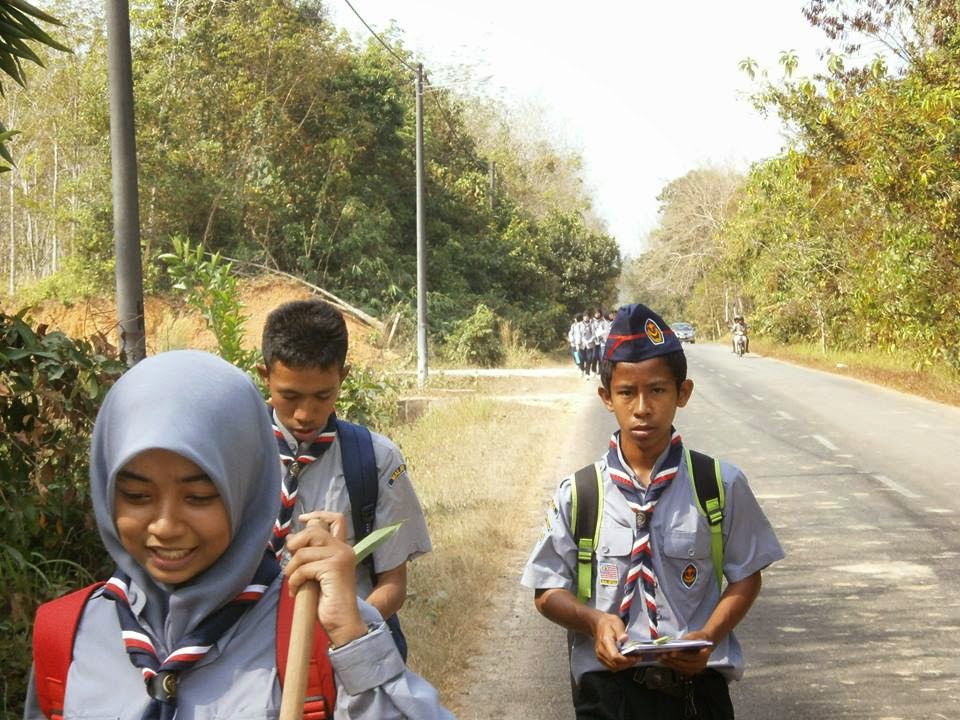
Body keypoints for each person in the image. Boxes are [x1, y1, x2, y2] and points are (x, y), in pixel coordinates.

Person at [24, 350, 453, 719]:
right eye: (136, 495)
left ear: (246, 490)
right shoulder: (66, 637)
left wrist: (353, 641)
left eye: (199, 497)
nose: (165, 526)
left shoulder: (319, 630)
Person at [521, 304, 784, 719]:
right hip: (608, 695)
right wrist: (594, 623)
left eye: (658, 390)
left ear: (683, 392)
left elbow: (746, 575)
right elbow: (546, 590)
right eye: (627, 392)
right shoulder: (581, 493)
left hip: (698, 693)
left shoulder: (719, 485)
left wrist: (710, 636)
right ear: (607, 397)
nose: (642, 407)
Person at [259, 299, 432, 658]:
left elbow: (393, 584)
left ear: (343, 377)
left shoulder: (378, 461)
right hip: (252, 658)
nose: (305, 414)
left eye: (323, 395)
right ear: (265, 376)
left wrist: (345, 631)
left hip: (345, 654)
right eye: (289, 396)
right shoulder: (235, 455)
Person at [580, 312, 598, 379]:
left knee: (589, 359)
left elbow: (594, 334)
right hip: (582, 345)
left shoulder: (591, 325)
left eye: (587, 316)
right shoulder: (579, 324)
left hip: (590, 345)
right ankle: (582, 370)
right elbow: (579, 334)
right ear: (583, 317)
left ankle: (587, 373)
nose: (586, 317)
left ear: (589, 317)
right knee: (582, 359)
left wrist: (590, 340)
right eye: (585, 316)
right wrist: (583, 341)